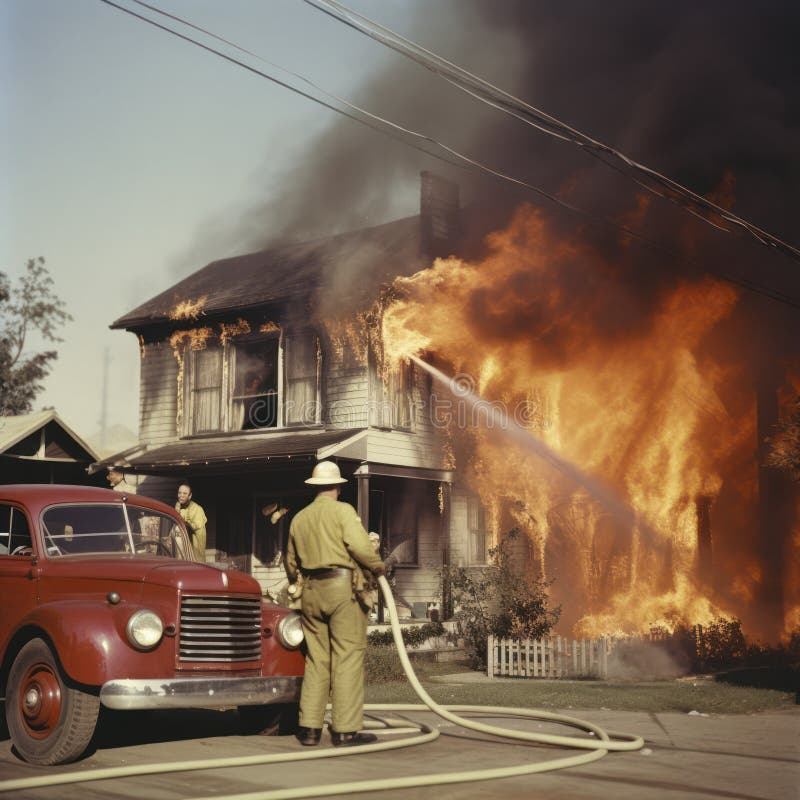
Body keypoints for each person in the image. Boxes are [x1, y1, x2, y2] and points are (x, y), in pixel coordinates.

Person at [285, 460, 385, 748]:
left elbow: (291, 564)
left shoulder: (299, 518)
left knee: (317, 659)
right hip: (343, 591)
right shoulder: (343, 511)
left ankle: (309, 728)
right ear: (338, 488)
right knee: (348, 656)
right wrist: (378, 567)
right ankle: (345, 730)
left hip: (310, 593)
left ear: (316, 488)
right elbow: (358, 545)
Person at [175, 483, 207, 562]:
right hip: (180, 551)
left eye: (184, 493)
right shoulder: (178, 506)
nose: (181, 495)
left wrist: (183, 521)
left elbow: (197, 529)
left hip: (193, 552)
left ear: (190, 496)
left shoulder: (197, 509)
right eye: (179, 493)